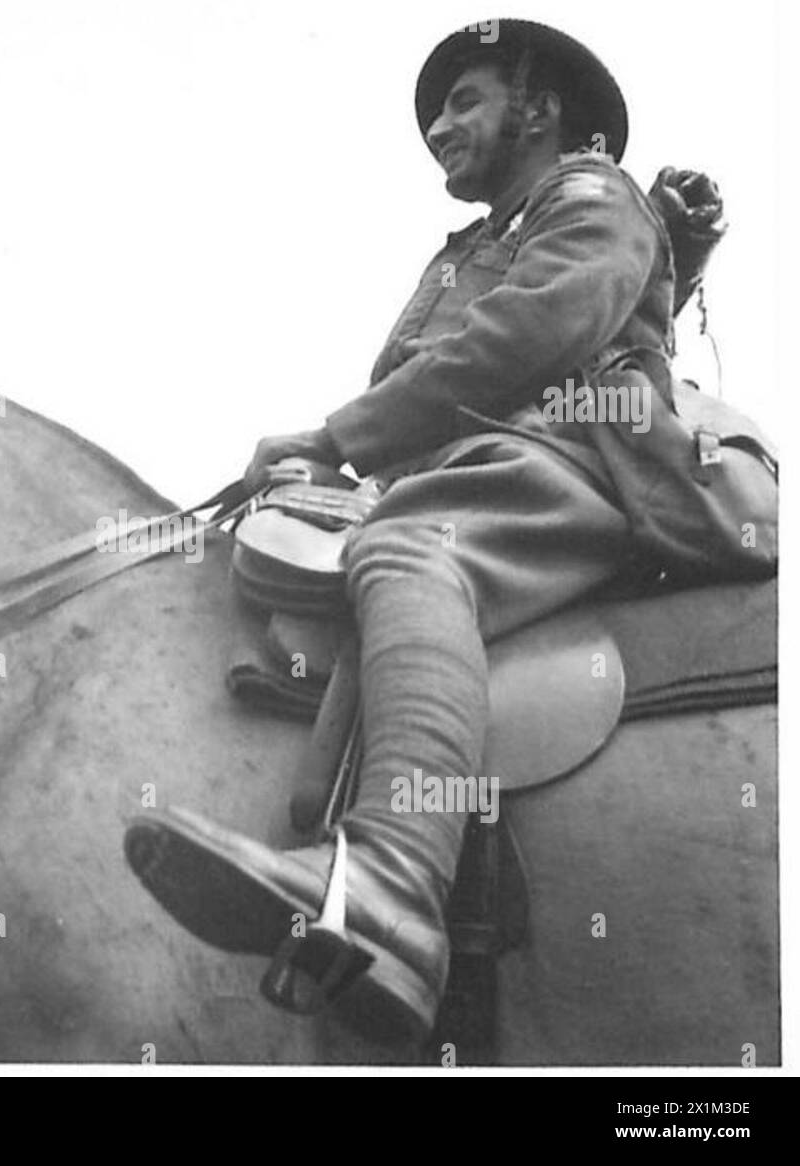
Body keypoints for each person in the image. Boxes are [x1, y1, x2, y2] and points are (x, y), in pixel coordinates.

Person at [123, 19, 725, 1038]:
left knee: (408, 553)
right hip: (469, 467)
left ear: (537, 111)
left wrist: (339, 433)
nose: (440, 128)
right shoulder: (481, 239)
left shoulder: (588, 195)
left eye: (466, 102)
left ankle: (393, 893)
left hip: (567, 460)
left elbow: (527, 336)